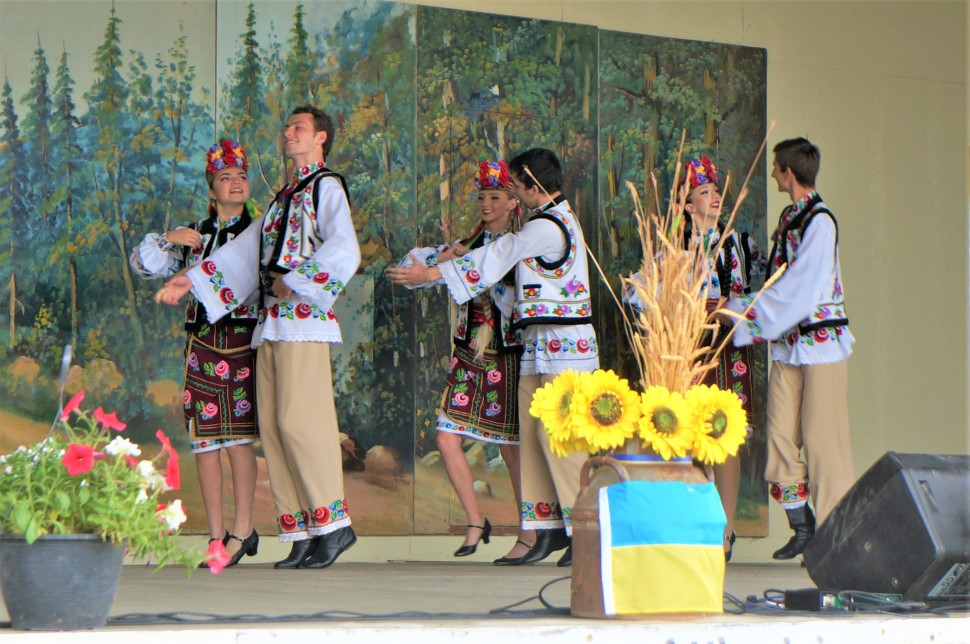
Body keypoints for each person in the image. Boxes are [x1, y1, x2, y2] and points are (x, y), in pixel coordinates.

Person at [156, 105, 362, 569]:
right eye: (287, 127)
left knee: (298, 419)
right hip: (272, 320)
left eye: (299, 128)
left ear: (321, 137)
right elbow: (247, 253)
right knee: (272, 426)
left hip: (302, 319)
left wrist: (300, 281)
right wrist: (188, 281)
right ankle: (301, 528)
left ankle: (335, 523)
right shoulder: (283, 196)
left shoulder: (325, 186)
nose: (288, 133)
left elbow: (344, 248)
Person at [389, 148, 597, 567]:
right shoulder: (535, 225)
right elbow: (486, 259)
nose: (505, 197)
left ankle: (582, 531)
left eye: (513, 188)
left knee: (564, 441)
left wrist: (436, 273)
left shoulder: (548, 226)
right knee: (534, 439)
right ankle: (543, 528)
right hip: (537, 346)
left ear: (532, 188)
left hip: (565, 348)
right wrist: (433, 265)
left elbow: (501, 256)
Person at [130, 139, 259, 568]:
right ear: (211, 189)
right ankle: (216, 537)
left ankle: (243, 529)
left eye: (241, 176)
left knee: (238, 439)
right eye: (226, 178)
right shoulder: (193, 234)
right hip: (201, 342)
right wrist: (169, 237)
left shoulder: (261, 231)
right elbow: (142, 264)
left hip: (243, 341)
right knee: (205, 442)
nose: (236, 183)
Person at [726, 137, 854, 560]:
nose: (774, 175)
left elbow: (801, 288)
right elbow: (774, 275)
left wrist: (748, 316)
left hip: (820, 343)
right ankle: (802, 525)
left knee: (823, 441)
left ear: (788, 172)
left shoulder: (821, 221)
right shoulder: (790, 217)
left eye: (777, 168)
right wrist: (738, 299)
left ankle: (836, 540)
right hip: (788, 344)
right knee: (780, 435)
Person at [399, 160, 532, 562]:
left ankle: (532, 528)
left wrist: (455, 266)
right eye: (482, 197)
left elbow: (507, 291)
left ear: (513, 201)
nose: (487, 204)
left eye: (495, 197)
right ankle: (476, 520)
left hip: (506, 353)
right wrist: (447, 256)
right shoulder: (465, 246)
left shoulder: (521, 245)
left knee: (510, 447)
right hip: (469, 352)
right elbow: (413, 263)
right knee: (445, 436)